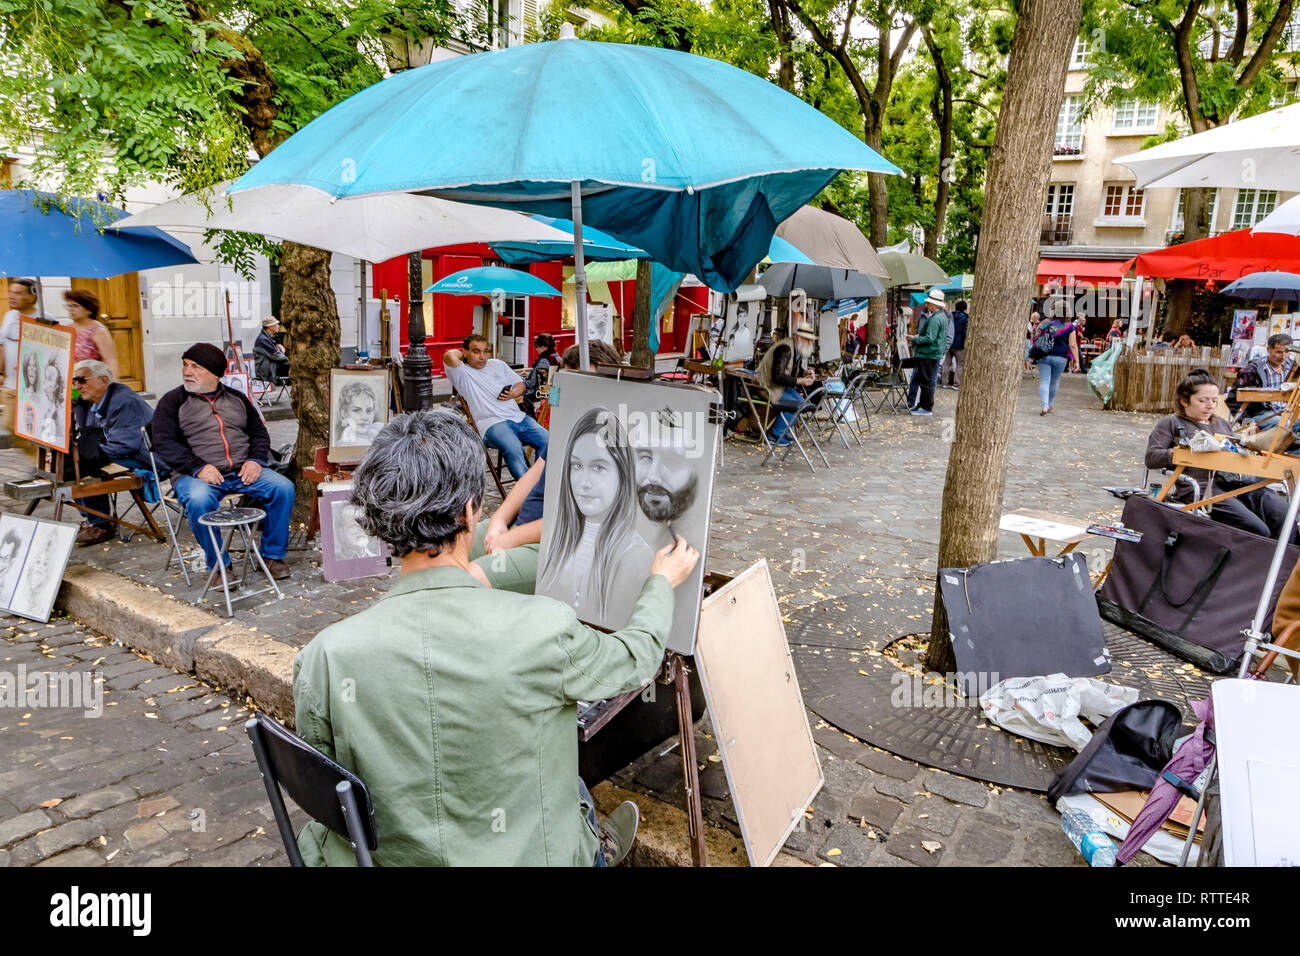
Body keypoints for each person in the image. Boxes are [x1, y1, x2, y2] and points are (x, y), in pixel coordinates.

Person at [292, 408, 700, 866]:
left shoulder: (324, 657)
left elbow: (327, 790)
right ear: (470, 510)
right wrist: (661, 583)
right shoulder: (542, 626)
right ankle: (593, 846)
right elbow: (635, 658)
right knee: (570, 782)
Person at [152, 343, 294, 580]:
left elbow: (259, 434)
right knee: (198, 500)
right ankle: (220, 564)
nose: (187, 371)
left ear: (215, 373)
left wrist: (256, 460)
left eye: (195, 367)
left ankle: (272, 557)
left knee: (283, 488)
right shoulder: (172, 401)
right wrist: (197, 467)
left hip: (241, 470)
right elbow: (164, 443)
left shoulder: (236, 398)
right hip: (195, 474)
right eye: (185, 365)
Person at [535, 406, 655, 627]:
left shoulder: (637, 556)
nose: (584, 482)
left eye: (598, 467)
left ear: (623, 473)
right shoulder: (557, 542)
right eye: (577, 465)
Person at [1145, 368, 1292, 541]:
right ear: (1185, 401)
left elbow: (1236, 449)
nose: (1210, 406)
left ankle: (1281, 563)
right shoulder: (1172, 423)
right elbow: (1151, 457)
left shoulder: (1221, 423)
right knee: (1256, 529)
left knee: (1282, 517)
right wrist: (1182, 452)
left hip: (1234, 481)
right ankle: (1249, 561)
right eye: (1203, 400)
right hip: (1201, 487)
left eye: (1215, 401)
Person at [67, 359, 156, 546]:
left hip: (148, 459)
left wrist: (88, 455)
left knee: (88, 466)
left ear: (103, 380)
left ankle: (101, 524)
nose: (77, 386)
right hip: (128, 453)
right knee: (75, 463)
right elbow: (90, 437)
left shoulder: (123, 402)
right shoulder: (93, 402)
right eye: (74, 381)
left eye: (82, 380)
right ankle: (93, 517)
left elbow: (124, 445)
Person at [443, 334, 548, 480]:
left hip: (518, 418)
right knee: (513, 448)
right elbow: (449, 356)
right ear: (465, 352)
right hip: (491, 423)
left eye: (486, 351)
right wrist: (465, 355)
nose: (482, 357)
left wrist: (513, 393)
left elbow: (521, 384)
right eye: (476, 351)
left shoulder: (497, 364)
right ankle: (527, 493)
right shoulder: (462, 373)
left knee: (548, 441)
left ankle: (540, 484)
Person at [755, 319, 817, 446]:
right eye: (807, 339)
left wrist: (804, 372)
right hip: (767, 386)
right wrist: (800, 381)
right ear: (798, 338)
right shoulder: (785, 348)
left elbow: (790, 370)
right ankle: (775, 435)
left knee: (803, 403)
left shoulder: (795, 348)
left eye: (811, 340)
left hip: (779, 386)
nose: (810, 343)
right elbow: (778, 376)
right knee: (797, 404)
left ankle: (783, 433)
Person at [906, 290, 948, 417]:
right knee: (926, 380)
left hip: (928, 353)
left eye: (929, 303)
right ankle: (923, 405)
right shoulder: (942, 316)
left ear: (935, 305)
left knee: (926, 382)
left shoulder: (935, 318)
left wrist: (915, 338)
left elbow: (930, 338)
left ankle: (926, 407)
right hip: (932, 353)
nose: (927, 305)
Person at [1032, 305, 1080, 415]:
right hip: (1061, 357)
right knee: (1054, 381)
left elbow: (1035, 334)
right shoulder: (1070, 326)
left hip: (1044, 355)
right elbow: (1073, 345)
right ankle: (1049, 404)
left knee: (1044, 380)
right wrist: (1076, 361)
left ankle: (1044, 407)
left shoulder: (1046, 322)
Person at [64, 289, 118, 381]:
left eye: (75, 306)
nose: (71, 309)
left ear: (89, 310)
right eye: (69, 306)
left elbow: (110, 360)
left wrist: (112, 386)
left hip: (93, 381)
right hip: (72, 382)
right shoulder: (68, 328)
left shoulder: (97, 330)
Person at [522, 333, 561, 419]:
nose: (536, 350)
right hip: (554, 392)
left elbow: (532, 383)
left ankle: (530, 418)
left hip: (542, 392)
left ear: (543, 347)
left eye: (537, 347)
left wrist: (521, 380)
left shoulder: (544, 360)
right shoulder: (557, 357)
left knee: (520, 393)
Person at [334, 381, 384, 446]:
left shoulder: (376, 432)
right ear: (344, 413)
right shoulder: (342, 445)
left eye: (369, 411)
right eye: (357, 410)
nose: (364, 417)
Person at [38, 356, 67, 447]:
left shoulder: (60, 413)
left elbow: (59, 439)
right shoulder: (44, 407)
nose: (45, 383)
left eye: (50, 379)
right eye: (45, 378)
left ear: (57, 385)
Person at [941, 299, 968, 390]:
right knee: (960, 364)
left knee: (946, 363)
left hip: (949, 343)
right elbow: (965, 332)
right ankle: (956, 384)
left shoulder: (950, 315)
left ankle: (944, 383)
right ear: (964, 308)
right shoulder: (965, 317)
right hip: (959, 345)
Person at [254, 317, 289, 384]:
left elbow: (272, 351)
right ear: (270, 327)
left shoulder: (266, 337)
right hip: (268, 371)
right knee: (295, 367)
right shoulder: (264, 339)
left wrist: (278, 346)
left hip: (269, 368)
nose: (278, 326)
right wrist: (291, 360)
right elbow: (276, 356)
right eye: (276, 324)